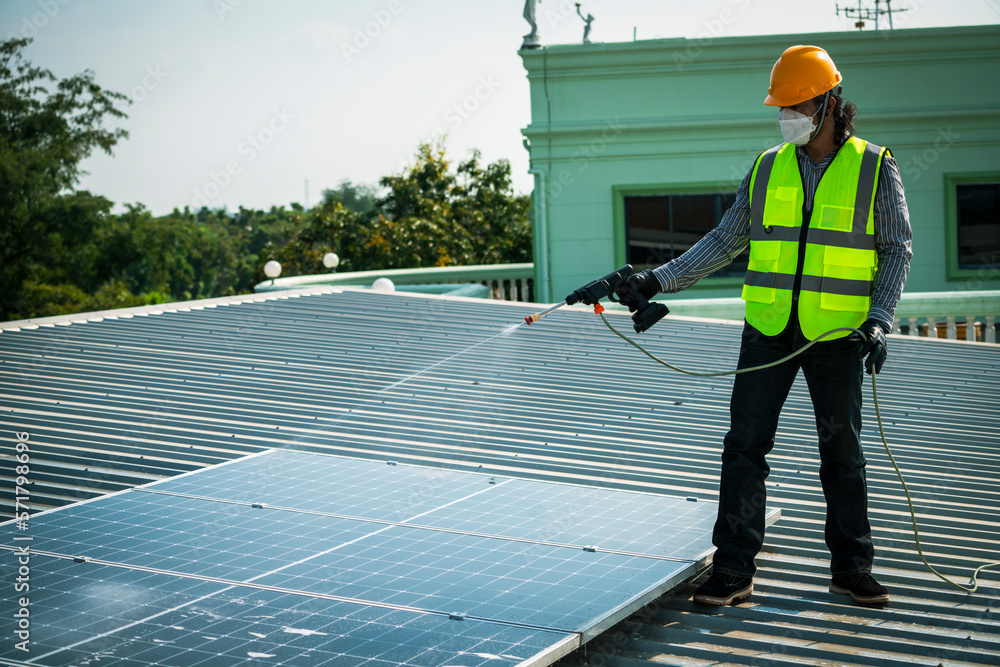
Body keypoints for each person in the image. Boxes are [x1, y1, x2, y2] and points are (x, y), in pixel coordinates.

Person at [619, 45, 912, 606]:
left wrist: (879, 320)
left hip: (838, 335)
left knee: (842, 453)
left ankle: (851, 568)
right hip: (769, 329)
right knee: (745, 448)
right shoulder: (768, 165)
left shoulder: (875, 166)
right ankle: (733, 571)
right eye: (783, 106)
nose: (788, 116)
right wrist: (659, 280)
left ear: (829, 103)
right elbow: (725, 240)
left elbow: (896, 248)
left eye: (798, 104)